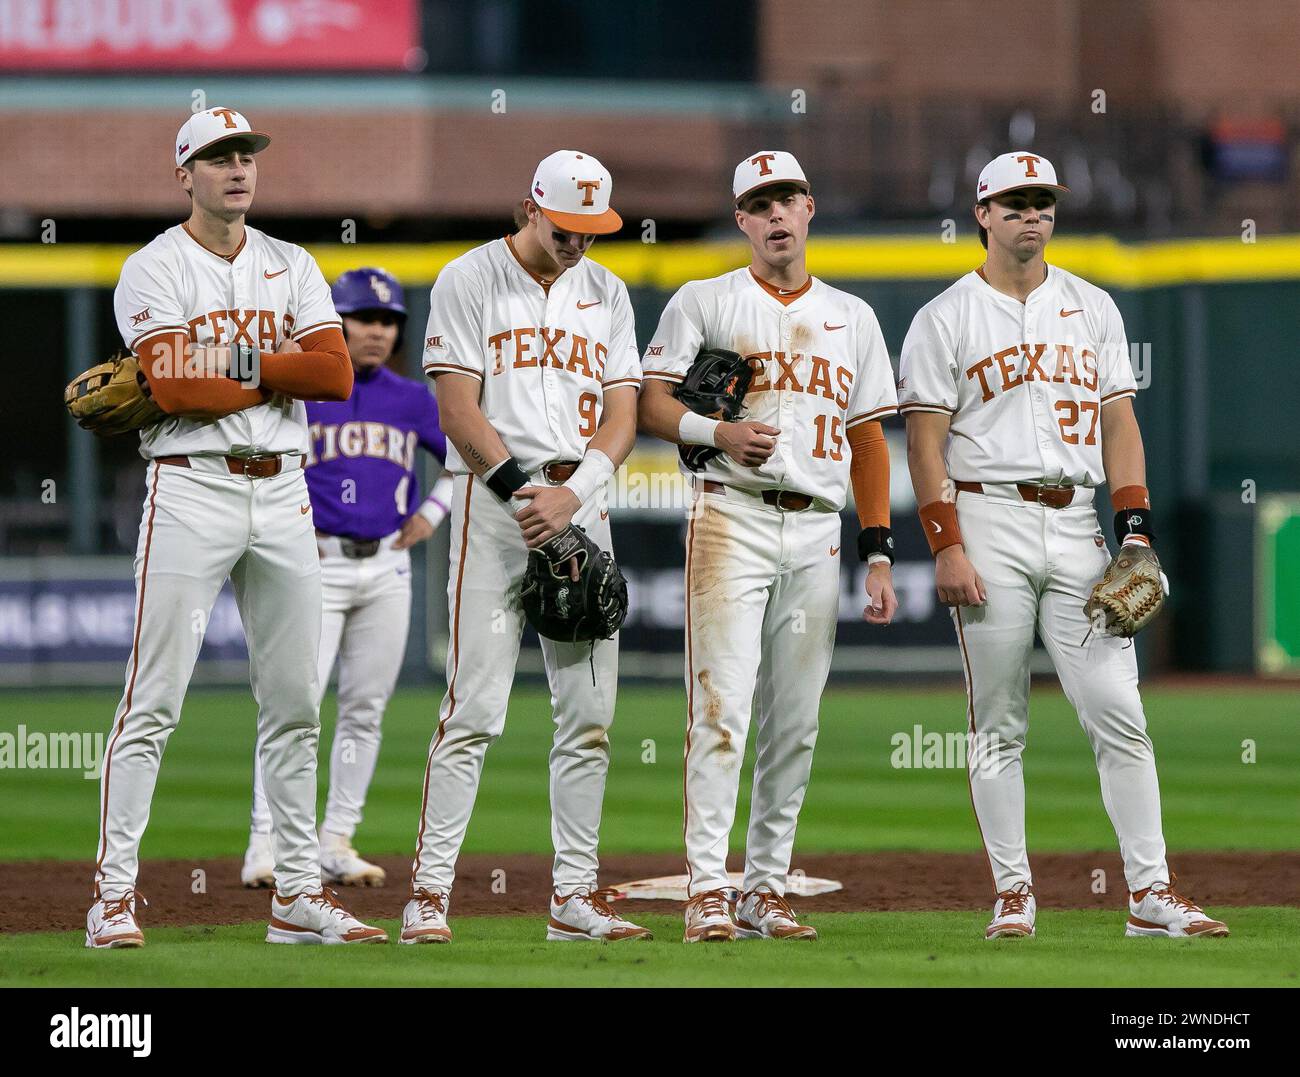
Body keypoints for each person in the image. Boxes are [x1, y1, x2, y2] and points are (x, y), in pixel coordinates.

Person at [898, 150, 1228, 940]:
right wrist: (945, 542)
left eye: (1042, 201)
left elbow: (1120, 422)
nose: (1031, 213)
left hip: (1077, 521)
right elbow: (924, 440)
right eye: (1014, 202)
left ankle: (1151, 893)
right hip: (988, 519)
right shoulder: (945, 317)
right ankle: (1013, 893)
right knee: (998, 721)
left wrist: (1135, 529)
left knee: (1120, 710)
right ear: (982, 214)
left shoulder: (1094, 306)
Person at [87, 107, 384, 947]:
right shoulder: (152, 268)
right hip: (191, 490)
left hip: (284, 492)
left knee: (295, 702)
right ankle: (111, 896)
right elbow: (176, 391)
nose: (238, 168)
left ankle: (296, 893)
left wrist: (232, 362)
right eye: (218, 157)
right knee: (153, 701)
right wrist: (267, 371)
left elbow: (333, 377)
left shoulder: (291, 263)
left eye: (246, 154)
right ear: (184, 173)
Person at [638, 151, 898, 942]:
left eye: (785, 197)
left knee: (795, 718)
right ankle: (707, 889)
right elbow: (650, 401)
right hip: (732, 514)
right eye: (758, 203)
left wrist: (879, 549)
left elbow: (868, 439)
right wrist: (714, 429)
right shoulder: (704, 299)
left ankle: (764, 886)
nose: (775, 213)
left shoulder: (854, 315)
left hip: (817, 527)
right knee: (720, 706)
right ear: (743, 219)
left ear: (809, 207)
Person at [401, 150, 650, 944]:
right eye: (567, 227)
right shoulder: (468, 278)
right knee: (474, 705)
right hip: (494, 504)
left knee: (589, 716)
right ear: (529, 209)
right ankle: (429, 896)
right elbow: (457, 410)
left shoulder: (607, 291)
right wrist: (522, 494)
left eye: (592, 230)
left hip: (581, 505)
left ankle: (573, 898)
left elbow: (622, 414)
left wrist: (574, 496)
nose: (579, 243)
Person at [241, 267, 453, 889]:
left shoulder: (413, 399)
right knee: (293, 705)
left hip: (387, 565)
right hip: (314, 564)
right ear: (333, 324)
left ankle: (334, 840)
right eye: (363, 318)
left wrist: (432, 514)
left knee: (365, 711)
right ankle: (267, 844)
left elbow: (463, 460)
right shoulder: (298, 392)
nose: (378, 331)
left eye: (388, 321)